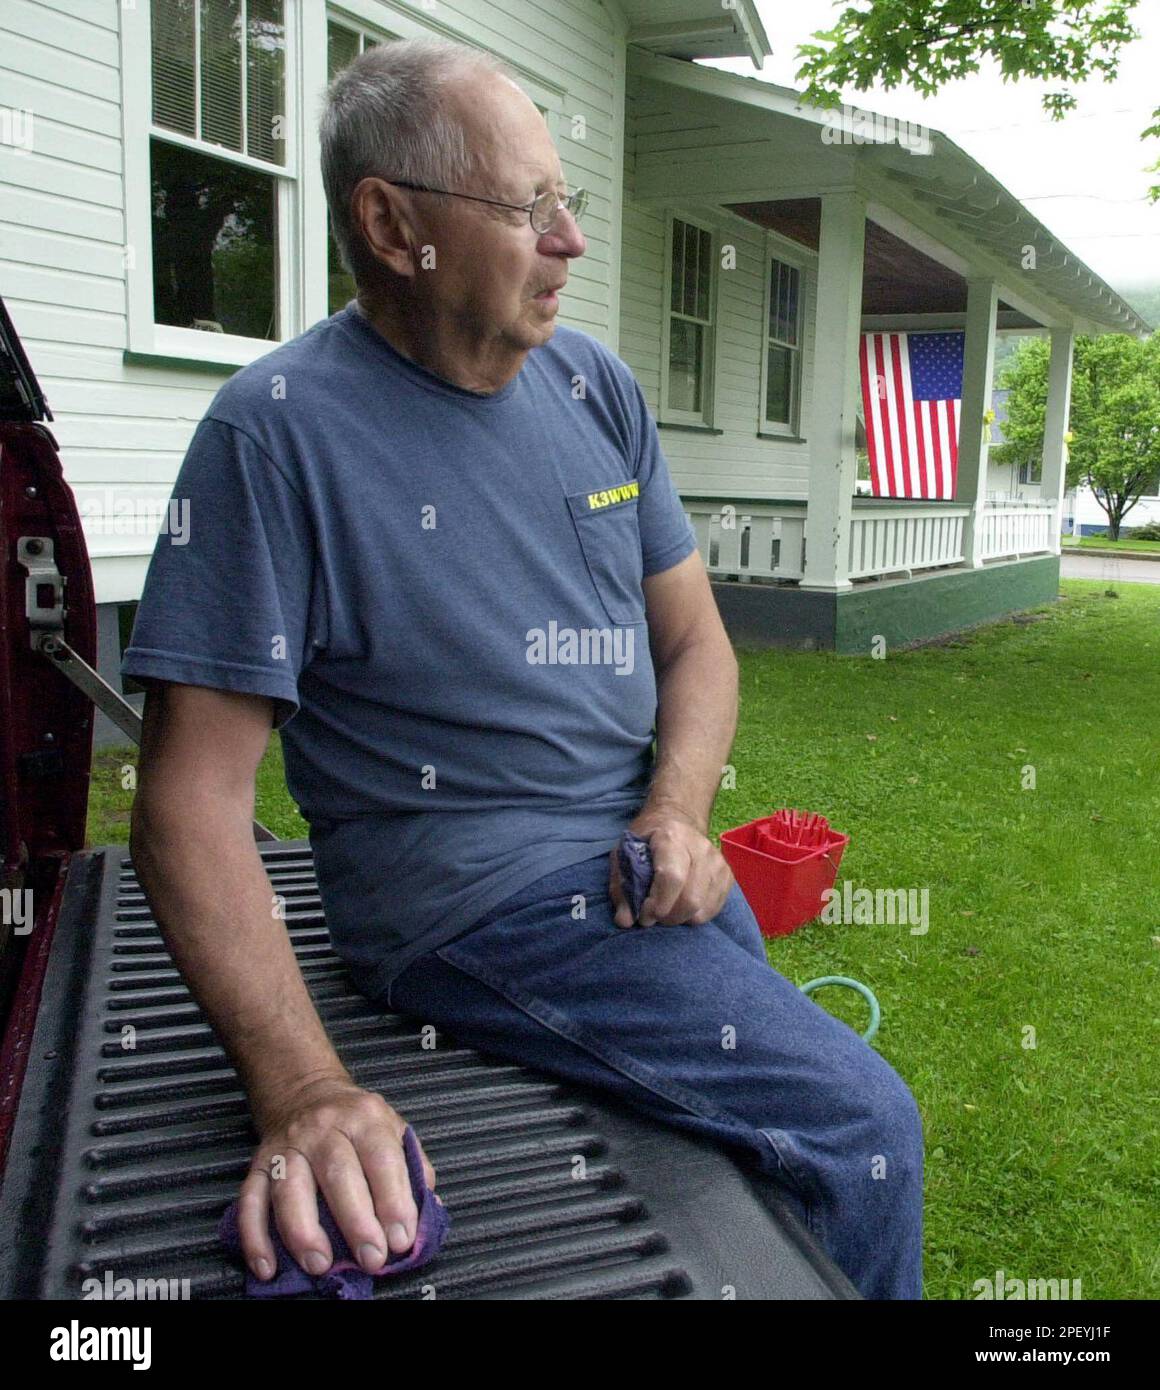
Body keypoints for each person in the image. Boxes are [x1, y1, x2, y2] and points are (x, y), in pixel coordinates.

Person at [123, 36, 924, 1300]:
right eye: (527, 207)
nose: (569, 242)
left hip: (642, 873)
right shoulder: (273, 439)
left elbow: (692, 639)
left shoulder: (590, 384)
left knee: (758, 1179)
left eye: (567, 203)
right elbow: (190, 801)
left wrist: (675, 809)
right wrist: (307, 1090)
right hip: (481, 906)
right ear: (391, 224)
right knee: (861, 1133)